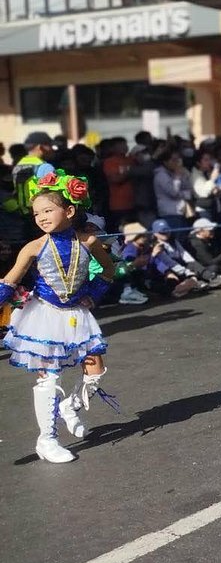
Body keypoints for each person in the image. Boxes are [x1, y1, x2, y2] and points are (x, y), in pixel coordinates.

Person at [1, 169, 117, 463]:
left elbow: (108, 270)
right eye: (36, 212)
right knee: (49, 379)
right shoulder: (33, 247)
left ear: (69, 209)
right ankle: (47, 439)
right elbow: (9, 281)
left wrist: (93, 294)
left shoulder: (88, 242)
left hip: (77, 315)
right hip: (44, 316)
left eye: (47, 210)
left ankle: (71, 406)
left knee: (95, 372)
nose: (40, 217)